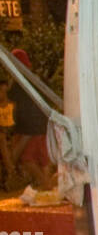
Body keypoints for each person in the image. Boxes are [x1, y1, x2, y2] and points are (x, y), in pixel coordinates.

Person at [9, 48, 55, 190]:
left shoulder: (19, 84)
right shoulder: (36, 79)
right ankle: (47, 186)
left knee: (27, 159)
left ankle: (46, 184)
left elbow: (12, 98)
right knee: (43, 160)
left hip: (29, 128)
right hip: (42, 125)